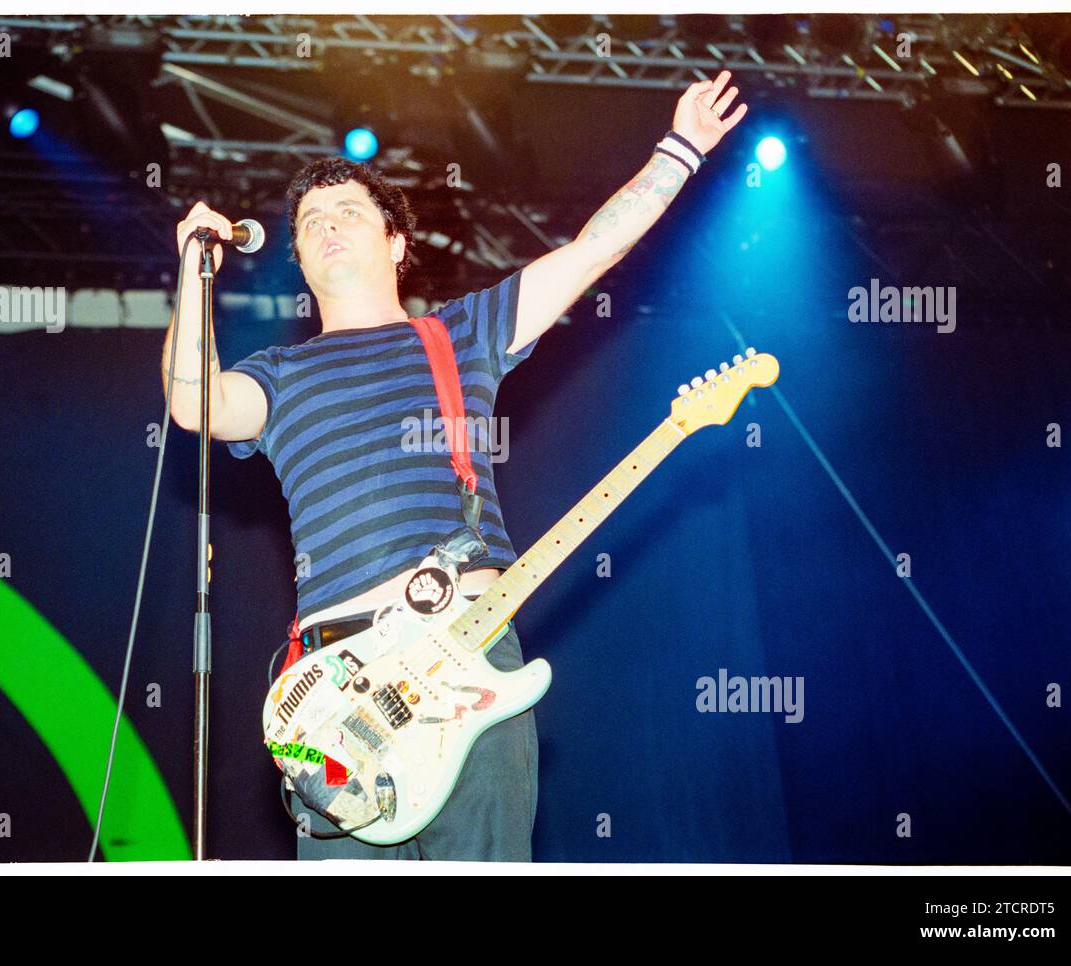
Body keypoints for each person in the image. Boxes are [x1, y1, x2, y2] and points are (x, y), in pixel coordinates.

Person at [162, 71, 747, 860]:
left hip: (466, 659)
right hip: (335, 700)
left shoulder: (460, 333)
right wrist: (192, 273)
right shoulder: (276, 374)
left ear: (397, 245)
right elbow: (194, 405)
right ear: (297, 259)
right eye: (309, 221)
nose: (326, 224)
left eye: (348, 211)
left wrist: (679, 150)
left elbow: (591, 252)